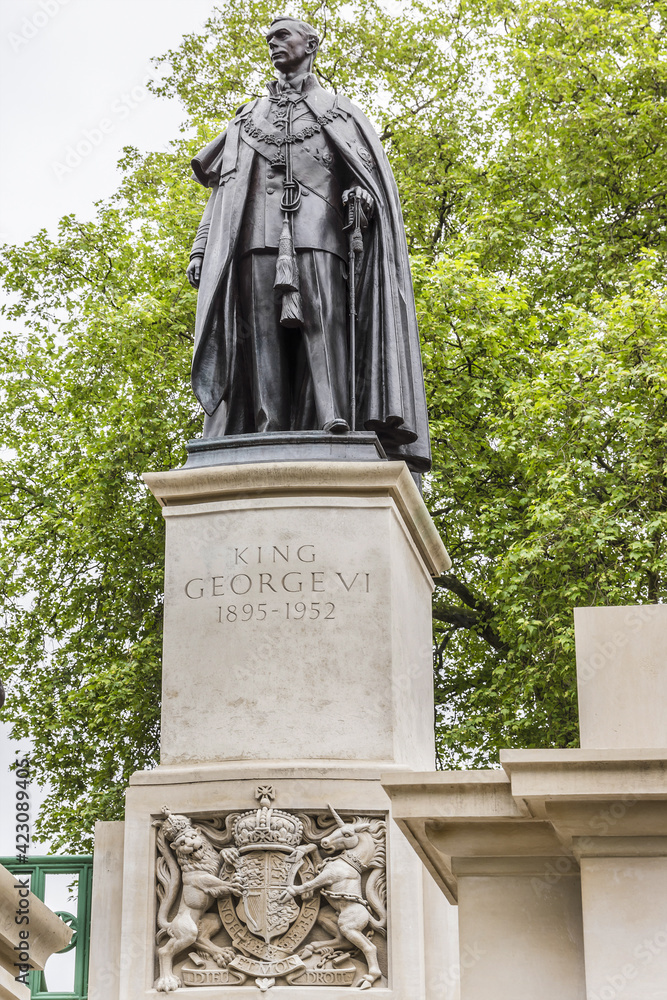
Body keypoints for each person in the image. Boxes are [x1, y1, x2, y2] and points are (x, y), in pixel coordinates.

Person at [187, 15, 431, 473]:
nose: (273, 43)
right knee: (261, 336)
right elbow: (224, 192)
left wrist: (364, 197)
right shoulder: (247, 115)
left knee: (325, 322)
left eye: (282, 35)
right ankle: (267, 426)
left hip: (320, 229)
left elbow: (369, 181)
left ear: (311, 44)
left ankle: (334, 417)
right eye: (269, 39)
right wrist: (203, 247)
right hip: (255, 237)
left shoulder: (340, 112)